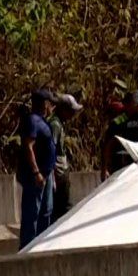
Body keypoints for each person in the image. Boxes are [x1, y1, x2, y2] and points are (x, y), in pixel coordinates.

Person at [18, 88, 58, 247]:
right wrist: (36, 172)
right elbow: (28, 146)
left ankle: (41, 246)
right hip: (36, 176)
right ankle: (28, 247)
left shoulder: (44, 121)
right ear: (44, 104)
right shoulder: (33, 121)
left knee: (46, 211)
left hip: (46, 174)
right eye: (50, 103)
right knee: (32, 213)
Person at [48, 93, 83, 222]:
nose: (73, 115)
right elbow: (51, 149)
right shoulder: (55, 125)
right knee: (62, 206)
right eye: (71, 111)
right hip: (58, 170)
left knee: (63, 205)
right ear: (63, 110)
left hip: (62, 168)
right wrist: (53, 174)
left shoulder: (59, 123)